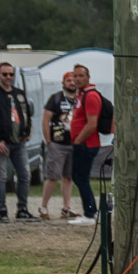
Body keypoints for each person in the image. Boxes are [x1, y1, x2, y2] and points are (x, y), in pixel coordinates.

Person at [0, 61, 35, 222]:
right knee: (1, 177)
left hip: (19, 143)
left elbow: (28, 115)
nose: (8, 77)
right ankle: (2, 211)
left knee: (25, 175)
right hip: (1, 143)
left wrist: (27, 133)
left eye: (11, 74)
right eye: (5, 74)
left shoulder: (20, 93)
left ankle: (22, 209)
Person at [40, 68, 81, 220]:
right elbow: (45, 120)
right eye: (68, 80)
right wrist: (48, 140)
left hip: (74, 143)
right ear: (63, 83)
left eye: (74, 80)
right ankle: (44, 207)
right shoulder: (55, 98)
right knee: (52, 176)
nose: (72, 83)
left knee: (68, 177)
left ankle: (66, 207)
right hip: (57, 143)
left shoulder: (80, 99)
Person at [67, 65, 103, 227]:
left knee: (81, 178)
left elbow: (92, 123)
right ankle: (91, 211)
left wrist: (78, 140)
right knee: (78, 177)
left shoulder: (90, 96)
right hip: (82, 143)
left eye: (81, 76)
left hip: (87, 144)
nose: (78, 79)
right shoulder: (81, 95)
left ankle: (90, 213)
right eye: (75, 76)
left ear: (88, 77)